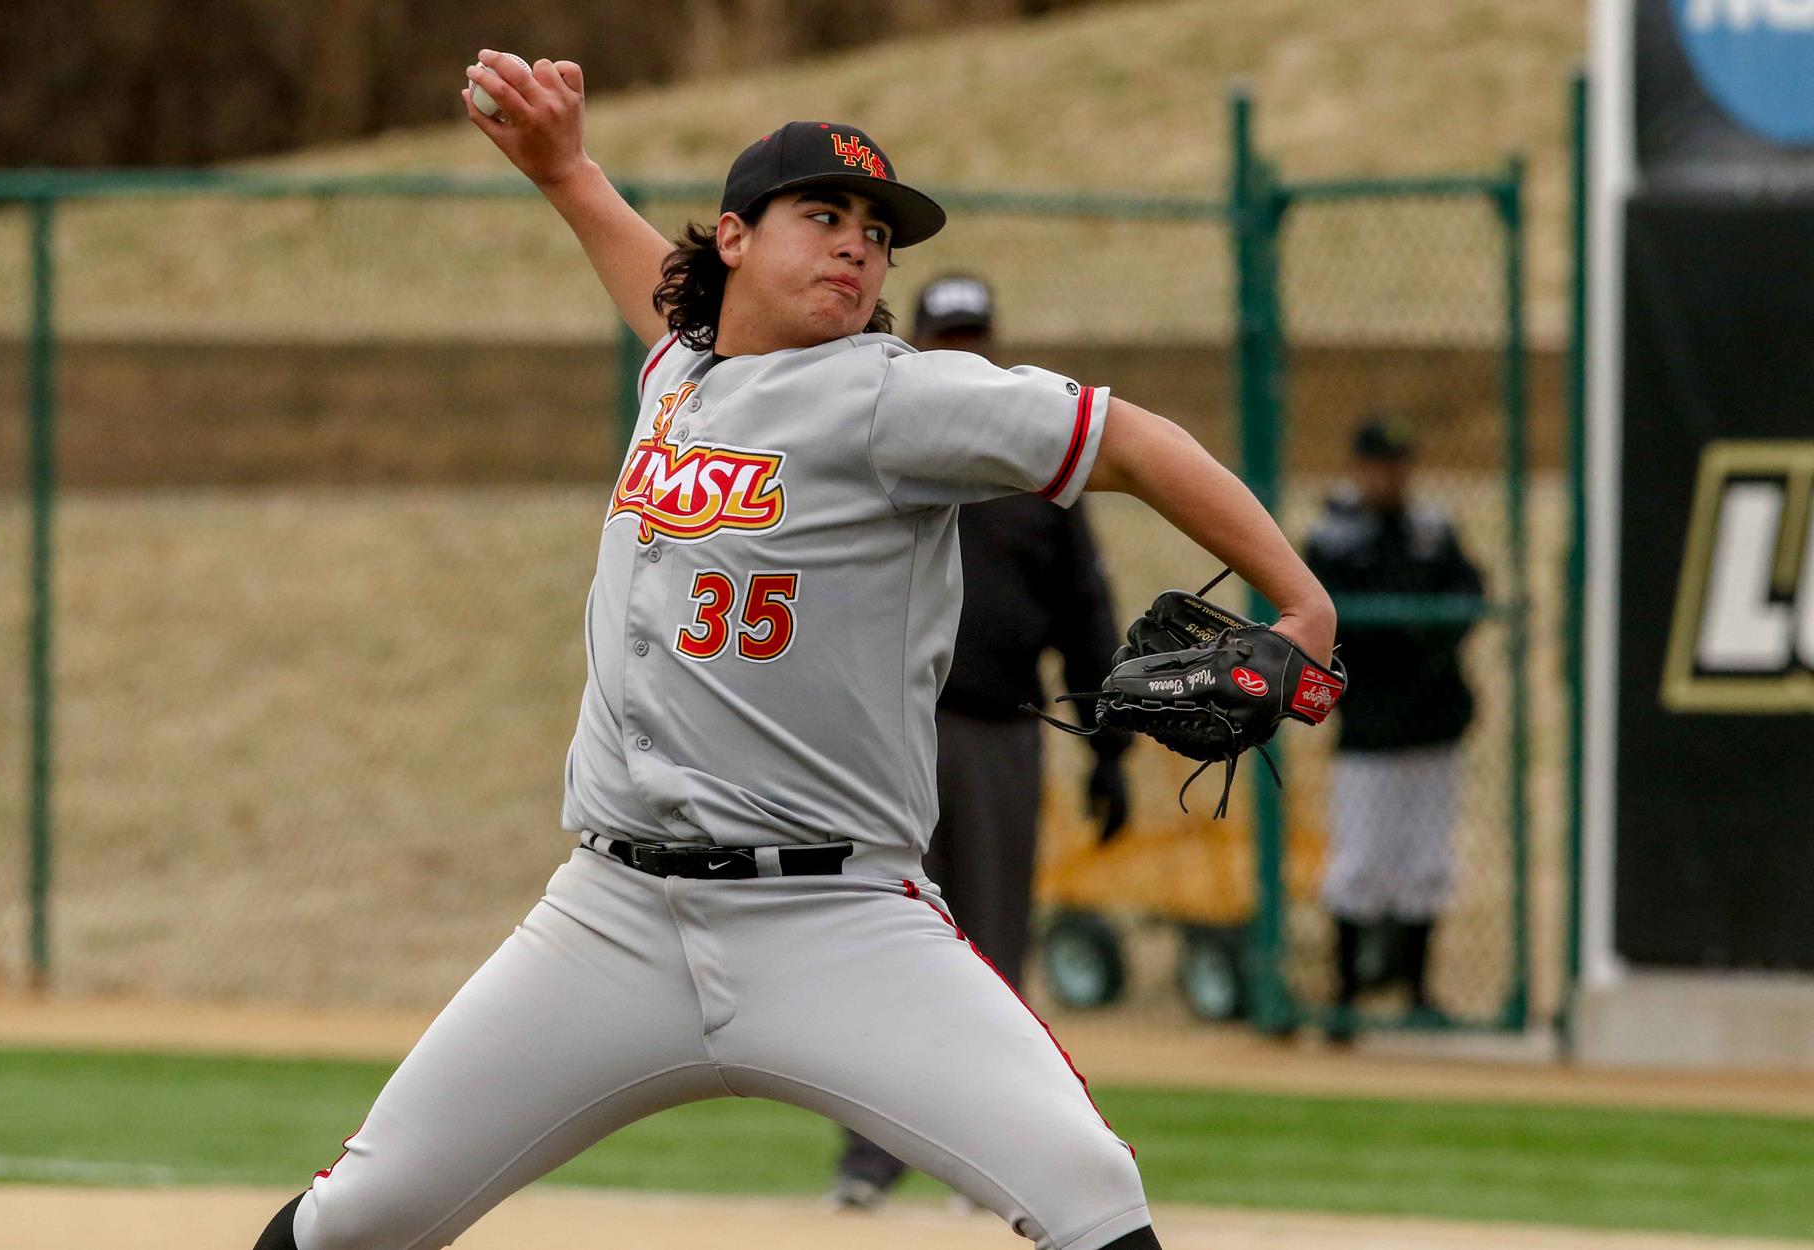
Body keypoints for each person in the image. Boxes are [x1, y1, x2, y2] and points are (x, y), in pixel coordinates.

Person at [251, 50, 1335, 1250]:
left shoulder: (892, 398)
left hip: (837, 920)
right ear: (731, 237)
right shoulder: (677, 373)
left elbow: (1127, 439)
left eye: (876, 231)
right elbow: (644, 281)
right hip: (611, 915)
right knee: (356, 1218)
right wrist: (564, 172)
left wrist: (1298, 603)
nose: (857, 246)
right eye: (822, 214)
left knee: (1090, 1190)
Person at [825, 274, 1133, 1213]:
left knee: (993, 949)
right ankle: (870, 1157)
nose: (959, 352)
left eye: (973, 337)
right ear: (913, 341)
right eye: (943, 337)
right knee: (880, 941)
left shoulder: (1031, 465)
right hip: (888, 738)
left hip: (1001, 731)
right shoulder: (874, 445)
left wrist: (1108, 746)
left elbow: (1084, 612)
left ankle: (989, 1160)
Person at [1304, 416, 1482, 1043]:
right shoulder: (1334, 536)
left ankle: (1416, 992)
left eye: (1400, 463)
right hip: (1372, 727)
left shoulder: (1431, 528)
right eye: (1381, 464)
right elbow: (1339, 624)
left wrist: (1424, 633)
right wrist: (1408, 634)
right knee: (1360, 862)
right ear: (1358, 468)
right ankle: (1347, 999)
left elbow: (1468, 592)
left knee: (1427, 861)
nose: (1393, 476)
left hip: (1433, 721)